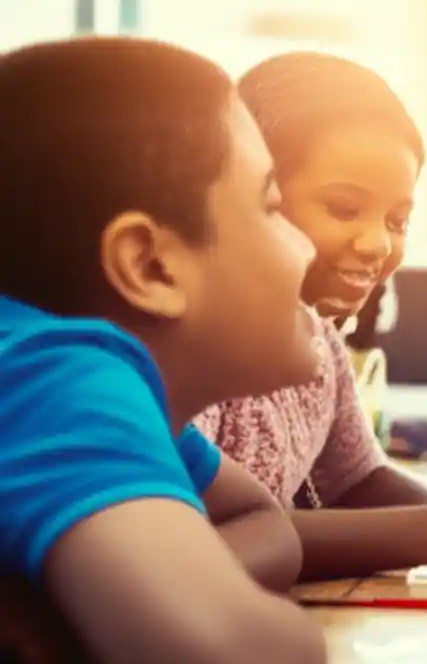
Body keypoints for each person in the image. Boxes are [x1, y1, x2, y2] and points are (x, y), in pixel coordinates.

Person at [0, 38, 324, 663]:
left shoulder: (90, 395)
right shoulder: (53, 381)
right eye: (273, 206)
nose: (307, 246)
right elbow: (246, 653)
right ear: (150, 267)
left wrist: (75, 607)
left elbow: (266, 521)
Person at [195, 52, 427, 580]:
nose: (377, 243)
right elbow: (199, 542)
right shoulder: (192, 348)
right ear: (255, 192)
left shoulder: (319, 341)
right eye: (344, 209)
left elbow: (356, 481)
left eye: (398, 220)